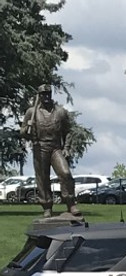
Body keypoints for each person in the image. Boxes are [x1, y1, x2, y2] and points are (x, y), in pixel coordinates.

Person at [19, 84, 80, 218]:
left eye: (48, 94)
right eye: (43, 94)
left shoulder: (60, 112)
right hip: (39, 148)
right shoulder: (31, 112)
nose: (46, 97)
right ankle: (47, 206)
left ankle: (71, 203)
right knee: (42, 178)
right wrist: (27, 128)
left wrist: (67, 148)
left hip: (55, 148)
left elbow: (68, 131)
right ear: (39, 96)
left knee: (65, 173)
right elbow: (23, 133)